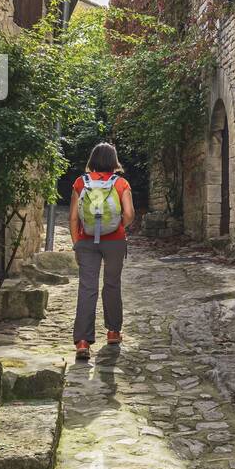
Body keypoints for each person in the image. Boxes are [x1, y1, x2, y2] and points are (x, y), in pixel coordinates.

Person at [70, 142, 135, 360]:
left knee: (87, 288)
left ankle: (82, 341)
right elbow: (129, 213)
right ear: (113, 161)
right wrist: (117, 226)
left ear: (93, 159)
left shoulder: (81, 182)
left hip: (87, 240)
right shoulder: (121, 183)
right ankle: (113, 331)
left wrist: (76, 243)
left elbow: (73, 217)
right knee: (112, 284)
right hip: (114, 241)